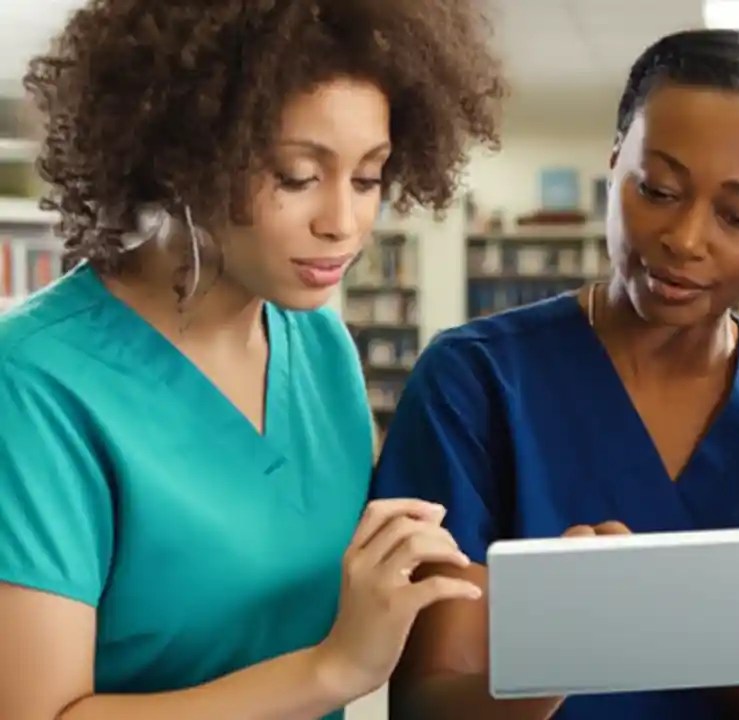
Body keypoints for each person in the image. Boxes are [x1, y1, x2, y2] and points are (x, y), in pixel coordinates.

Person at [0, 2, 505, 718]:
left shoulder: (321, 345)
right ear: (184, 161)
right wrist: (333, 669)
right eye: (297, 177)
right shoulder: (35, 382)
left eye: (368, 178)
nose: (343, 222)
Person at [373, 28, 739, 720]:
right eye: (658, 189)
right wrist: (567, 643)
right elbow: (429, 705)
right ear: (614, 162)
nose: (686, 239)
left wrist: (660, 620)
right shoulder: (476, 383)